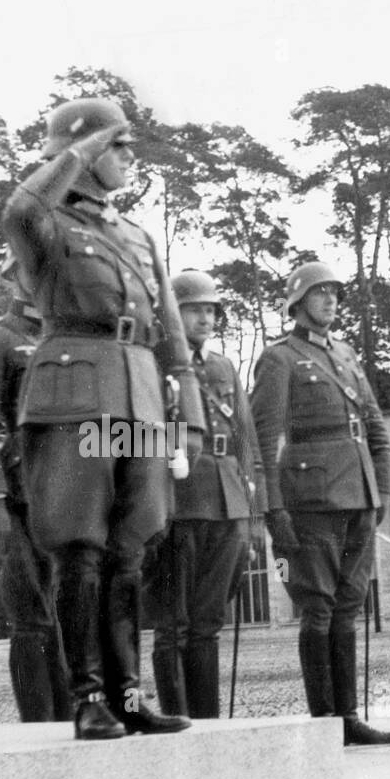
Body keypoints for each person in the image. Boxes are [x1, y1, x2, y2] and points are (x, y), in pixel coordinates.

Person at [2, 97, 206, 740]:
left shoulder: (138, 236)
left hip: (137, 393)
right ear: (85, 151)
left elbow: (172, 335)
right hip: (75, 393)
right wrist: (80, 148)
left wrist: (191, 418)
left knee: (128, 549)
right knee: (80, 546)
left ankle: (127, 695)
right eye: (117, 146)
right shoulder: (47, 223)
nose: (128, 156)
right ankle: (86, 696)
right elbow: (19, 209)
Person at [250, 262, 390, 745]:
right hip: (311, 498)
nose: (331, 300)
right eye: (320, 293)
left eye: (335, 292)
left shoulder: (346, 353)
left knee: (349, 606)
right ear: (297, 303)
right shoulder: (279, 359)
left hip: (359, 495)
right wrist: (273, 510)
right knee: (318, 607)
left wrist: (383, 491)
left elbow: (376, 428)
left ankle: (349, 718)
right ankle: (324, 724)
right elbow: (261, 440)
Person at [146, 270, 265, 718]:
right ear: (174, 314)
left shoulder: (223, 367)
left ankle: (208, 725)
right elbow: (123, 435)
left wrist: (254, 515)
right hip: (178, 501)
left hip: (227, 499)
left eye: (212, 310)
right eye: (197, 309)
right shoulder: (153, 363)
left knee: (208, 624)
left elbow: (246, 442)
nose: (207, 317)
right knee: (173, 625)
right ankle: (177, 722)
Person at [0, 259, 70, 721]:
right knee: (32, 620)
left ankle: (76, 726)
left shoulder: (74, 339)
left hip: (76, 496)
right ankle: (37, 732)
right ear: (18, 274)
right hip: (21, 499)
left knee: (75, 619)